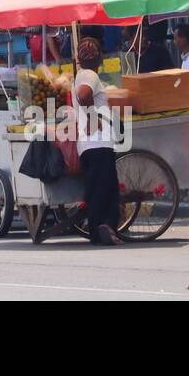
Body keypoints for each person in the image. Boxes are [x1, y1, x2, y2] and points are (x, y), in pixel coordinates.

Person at [72, 36, 125, 246]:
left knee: (97, 188)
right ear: (100, 59)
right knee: (107, 189)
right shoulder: (89, 75)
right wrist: (94, 117)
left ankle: (99, 230)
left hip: (89, 144)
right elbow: (83, 95)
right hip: (98, 142)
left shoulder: (81, 74)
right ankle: (105, 227)